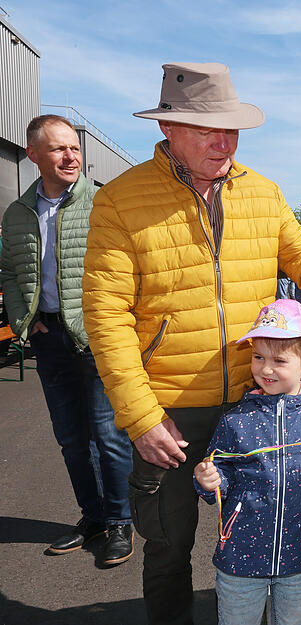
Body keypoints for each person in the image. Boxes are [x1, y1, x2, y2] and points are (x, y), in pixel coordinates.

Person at [81, 62, 301, 625]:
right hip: (169, 410)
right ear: (168, 130)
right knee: (168, 545)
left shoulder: (262, 193)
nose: (223, 142)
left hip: (254, 403)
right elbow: (106, 315)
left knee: (265, 531)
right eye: (206, 129)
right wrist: (140, 417)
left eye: (230, 129)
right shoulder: (119, 200)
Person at [0, 114, 134, 566]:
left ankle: (120, 522)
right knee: (71, 438)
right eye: (58, 149)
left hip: (99, 336)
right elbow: (10, 272)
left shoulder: (103, 204)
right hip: (49, 339)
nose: (70, 155)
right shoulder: (18, 213)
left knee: (108, 434)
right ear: (33, 154)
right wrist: (25, 318)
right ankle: (93, 518)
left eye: (74, 147)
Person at [194, 299, 301, 625]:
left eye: (279, 360)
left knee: (294, 620)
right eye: (258, 357)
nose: (266, 368)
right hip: (240, 555)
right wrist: (210, 480)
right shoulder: (236, 419)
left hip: (298, 553)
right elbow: (222, 470)